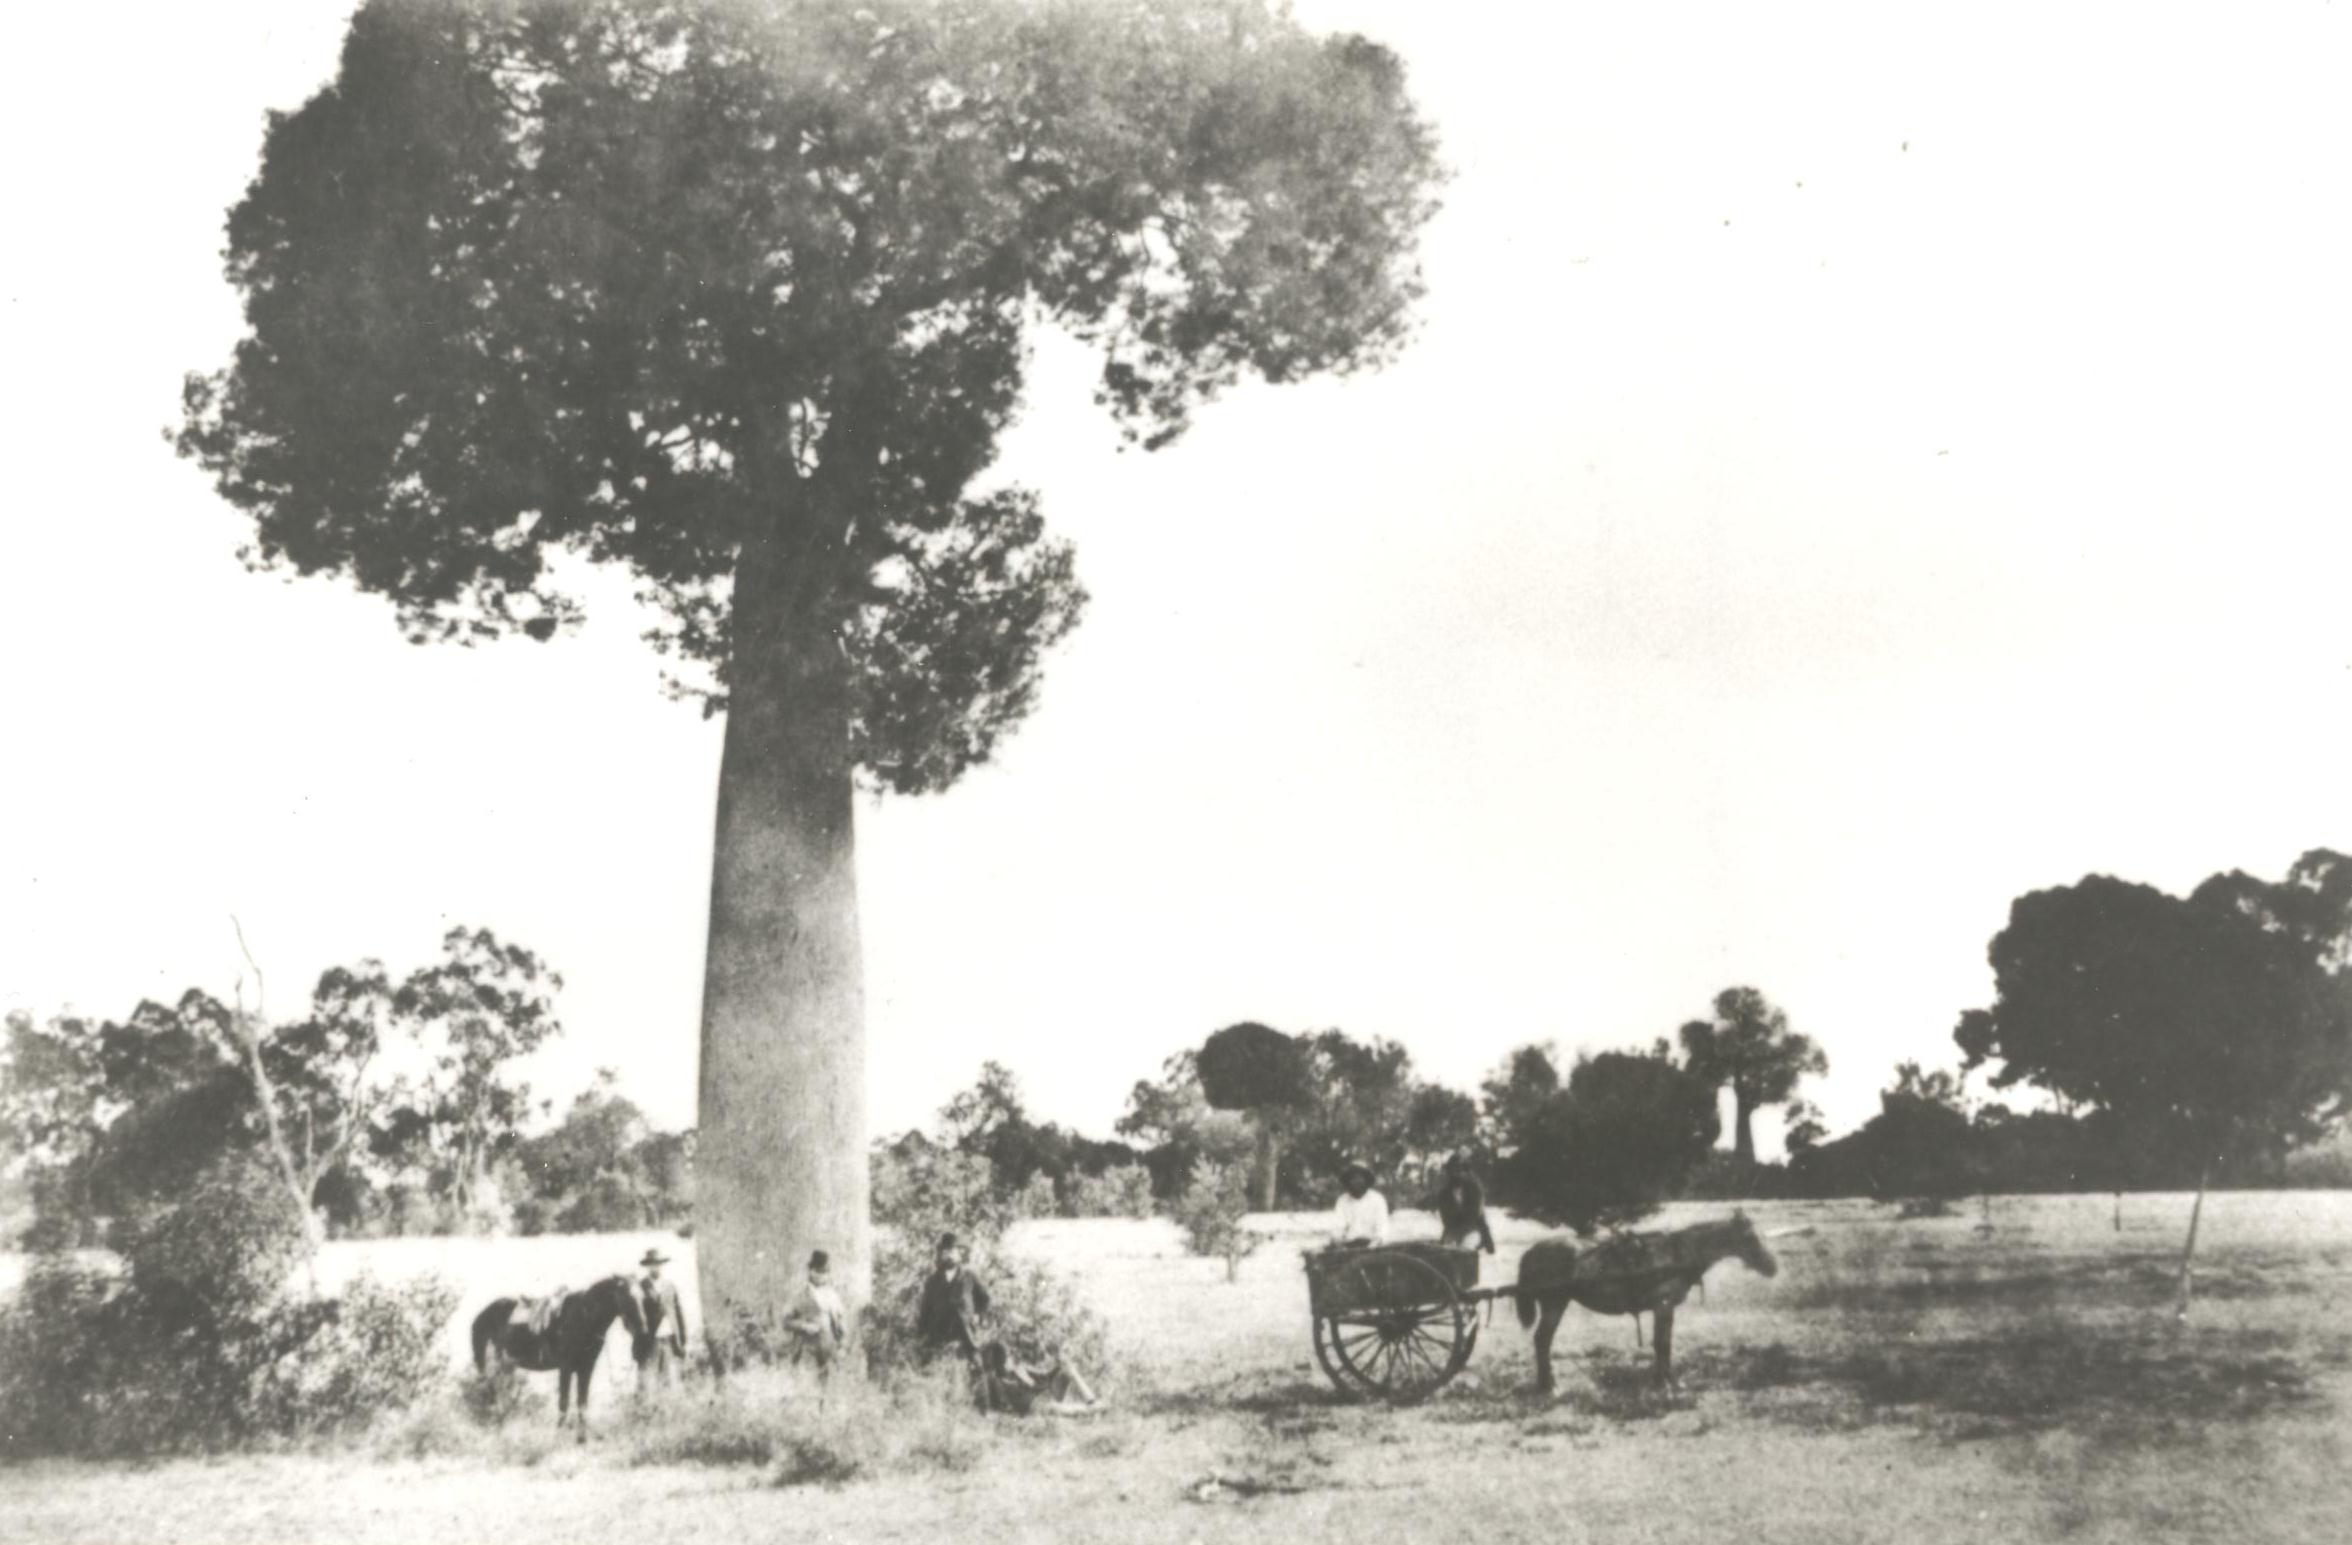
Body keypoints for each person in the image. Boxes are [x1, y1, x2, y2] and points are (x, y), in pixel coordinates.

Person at [916, 1233, 1099, 1414]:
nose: (947, 1255)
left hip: (971, 1339)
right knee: (980, 1369)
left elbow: (985, 1301)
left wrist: (979, 1316)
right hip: (948, 1343)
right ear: (939, 1254)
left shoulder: (968, 1277)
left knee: (997, 1356)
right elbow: (924, 1319)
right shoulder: (933, 1283)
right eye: (944, 1251)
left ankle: (1090, 1402)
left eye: (951, 1251)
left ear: (959, 1253)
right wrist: (926, 1350)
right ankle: (1088, 1409)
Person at [784, 1248, 848, 1379]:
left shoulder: (833, 1296)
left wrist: (842, 1345)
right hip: (806, 1352)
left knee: (828, 1389)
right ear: (810, 1271)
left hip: (829, 1352)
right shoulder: (800, 1295)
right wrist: (804, 1326)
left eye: (825, 1272)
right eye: (818, 1271)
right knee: (807, 1390)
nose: (821, 1275)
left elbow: (840, 1323)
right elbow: (786, 1321)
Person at [635, 1247, 688, 1389]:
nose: (656, 1267)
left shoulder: (670, 1286)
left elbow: (678, 1313)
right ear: (647, 1266)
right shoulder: (640, 1287)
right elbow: (632, 1318)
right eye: (652, 1264)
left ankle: (667, 1409)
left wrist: (682, 1340)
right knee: (647, 1385)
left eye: (658, 1264)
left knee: (669, 1383)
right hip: (649, 1342)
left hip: (669, 1341)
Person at [1429, 1151, 1496, 1254]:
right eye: (1453, 1170)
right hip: (1453, 1230)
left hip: (1472, 1229)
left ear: (1466, 1171)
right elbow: (1447, 1220)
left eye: (1460, 1170)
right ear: (1449, 1172)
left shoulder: (1475, 1189)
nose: (1457, 1173)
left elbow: (1476, 1215)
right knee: (1446, 1252)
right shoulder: (1444, 1194)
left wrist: (1487, 1240)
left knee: (1465, 1251)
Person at [1331, 1161, 1389, 1246]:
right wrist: (1337, 1239)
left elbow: (1382, 1226)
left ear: (1366, 1180)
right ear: (1348, 1181)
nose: (1356, 1182)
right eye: (1353, 1178)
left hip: (1372, 1244)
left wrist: (1377, 1241)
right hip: (1349, 1245)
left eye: (1360, 1178)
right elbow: (1339, 1226)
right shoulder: (1342, 1200)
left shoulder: (1377, 1199)